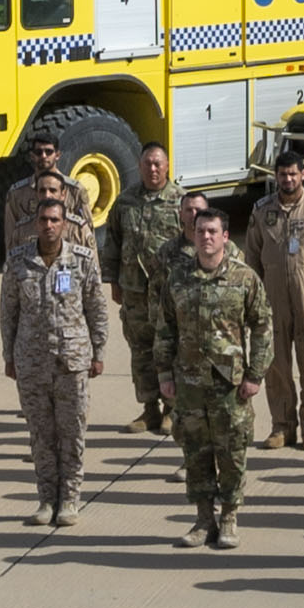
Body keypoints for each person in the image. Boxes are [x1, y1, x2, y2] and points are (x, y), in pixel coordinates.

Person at [162, 208, 274, 546]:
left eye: (212, 231)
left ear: (226, 236)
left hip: (231, 386)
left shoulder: (244, 278)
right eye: (200, 231)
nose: (206, 237)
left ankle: (229, 518)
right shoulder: (178, 277)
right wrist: (164, 373)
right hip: (189, 385)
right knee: (195, 454)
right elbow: (165, 328)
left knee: (232, 453)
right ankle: (202, 520)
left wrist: (255, 374)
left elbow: (264, 326)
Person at [0, 193, 109, 528]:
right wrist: (9, 355)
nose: (48, 226)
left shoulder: (82, 259)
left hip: (72, 362)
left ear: (64, 224)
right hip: (31, 362)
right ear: (35, 223)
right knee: (40, 436)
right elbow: (8, 313)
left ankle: (70, 500)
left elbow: (97, 309)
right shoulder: (18, 261)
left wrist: (98, 352)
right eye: (43, 220)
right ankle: (46, 499)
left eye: (54, 220)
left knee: (72, 433)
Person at [246, 158, 304, 448]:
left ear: (303, 175)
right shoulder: (262, 210)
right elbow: (252, 257)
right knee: (276, 363)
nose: (287, 179)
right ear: (275, 177)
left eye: (292, 174)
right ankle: (282, 425)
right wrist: (253, 301)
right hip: (273, 298)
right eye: (282, 175)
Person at [109, 147, 195, 435]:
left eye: (158, 164)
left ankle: (172, 408)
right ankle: (149, 410)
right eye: (147, 164)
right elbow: (113, 242)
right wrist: (114, 281)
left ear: (168, 165)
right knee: (141, 351)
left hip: (169, 293)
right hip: (134, 290)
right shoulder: (125, 202)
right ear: (140, 165)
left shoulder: (181, 201)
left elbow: (192, 244)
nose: (153, 169)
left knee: (170, 350)